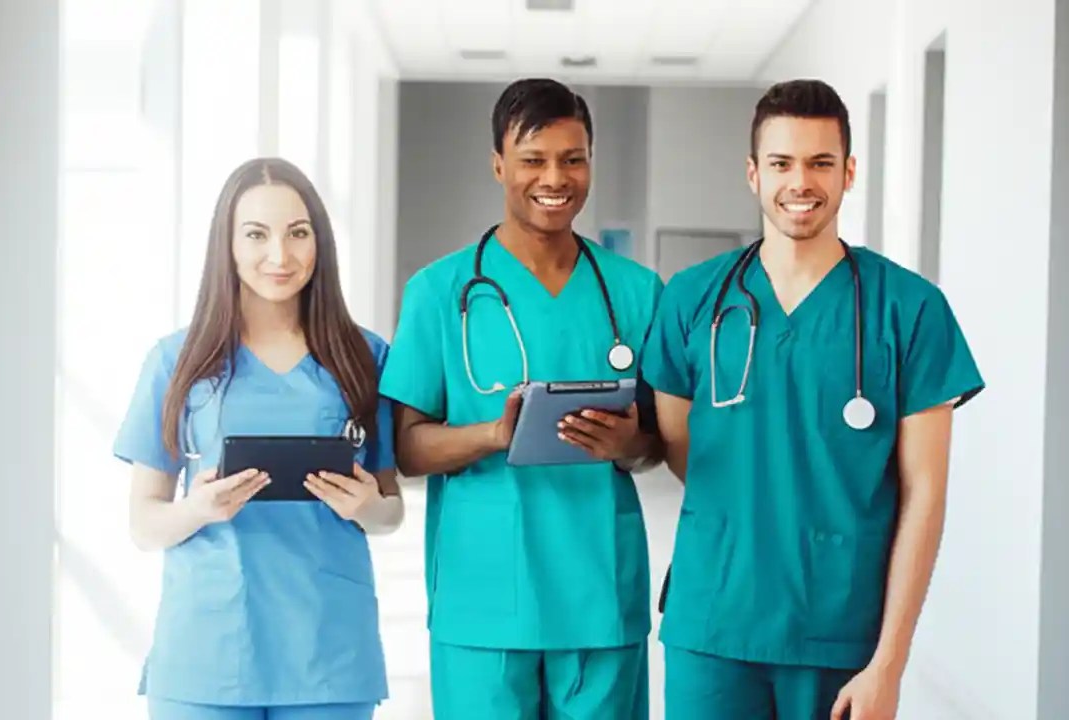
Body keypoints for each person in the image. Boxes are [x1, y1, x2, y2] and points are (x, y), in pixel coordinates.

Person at [641, 79, 985, 720]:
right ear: (752, 173)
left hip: (840, 631)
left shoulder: (908, 309)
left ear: (849, 171)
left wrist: (889, 663)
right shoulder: (692, 300)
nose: (801, 181)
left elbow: (926, 496)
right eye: (781, 163)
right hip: (711, 626)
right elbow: (685, 451)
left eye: (821, 162)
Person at [379, 78, 665, 718]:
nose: (554, 177)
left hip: (597, 593)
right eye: (533, 159)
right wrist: (491, 434)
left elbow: (661, 442)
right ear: (499, 164)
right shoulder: (440, 292)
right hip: (484, 599)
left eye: (573, 157)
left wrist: (630, 443)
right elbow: (406, 448)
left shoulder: (638, 292)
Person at [112, 157, 404, 720]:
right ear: (227, 243)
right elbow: (144, 525)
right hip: (208, 653)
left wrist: (369, 507)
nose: (280, 255)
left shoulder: (363, 358)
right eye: (256, 235)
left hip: (328, 652)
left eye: (298, 233)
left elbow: (390, 513)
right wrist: (197, 508)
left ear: (320, 242)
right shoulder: (176, 362)